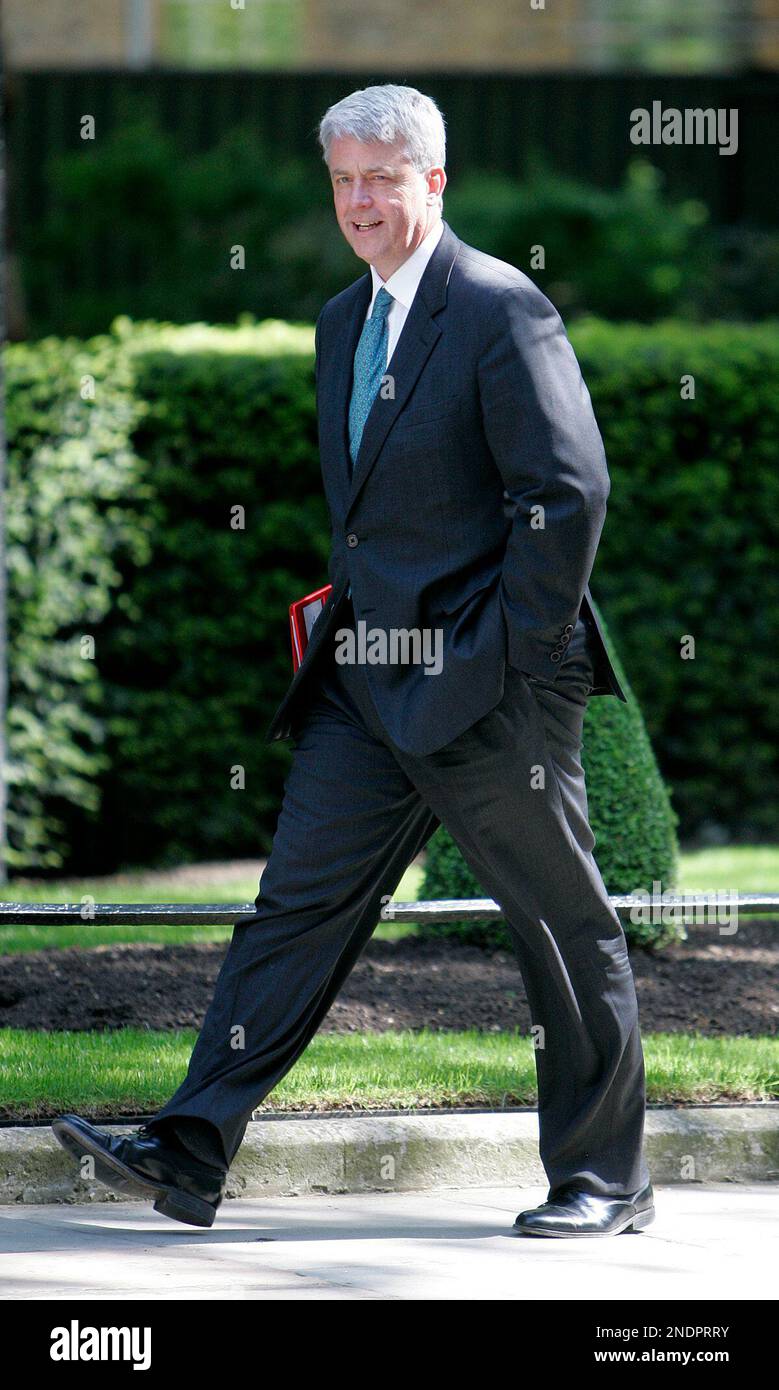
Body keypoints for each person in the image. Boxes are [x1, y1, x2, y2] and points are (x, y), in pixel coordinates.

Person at [54, 83, 653, 1239]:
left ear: (434, 180)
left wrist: (510, 659)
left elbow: (565, 492)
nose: (360, 200)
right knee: (292, 913)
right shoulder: (343, 319)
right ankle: (188, 1146)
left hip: (491, 688)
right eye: (342, 180)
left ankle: (603, 1179)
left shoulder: (496, 303)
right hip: (364, 683)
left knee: (558, 923)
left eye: (383, 177)